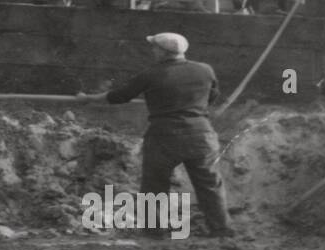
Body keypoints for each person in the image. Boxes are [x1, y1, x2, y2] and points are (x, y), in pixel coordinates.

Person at [75, 33, 232, 238]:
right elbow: (212, 96)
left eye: (155, 48)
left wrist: (89, 98)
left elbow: (120, 96)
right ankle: (222, 230)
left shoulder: (151, 74)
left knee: (155, 184)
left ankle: (154, 231)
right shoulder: (205, 70)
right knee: (210, 184)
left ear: (162, 52)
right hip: (201, 134)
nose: (153, 51)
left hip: (164, 135)